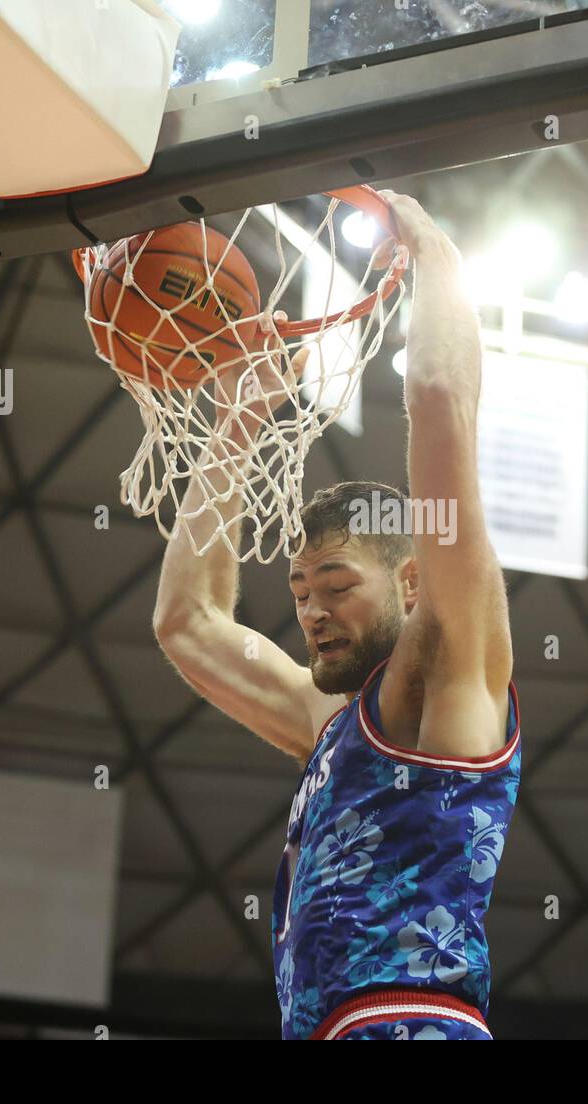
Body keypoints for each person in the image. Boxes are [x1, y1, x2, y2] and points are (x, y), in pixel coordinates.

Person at [152, 190, 520, 1040]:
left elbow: (438, 399)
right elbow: (188, 623)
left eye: (337, 583)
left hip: (414, 1022)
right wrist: (239, 421)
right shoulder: (330, 722)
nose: (311, 611)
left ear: (413, 584)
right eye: (299, 590)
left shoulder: (449, 668)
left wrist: (433, 252)